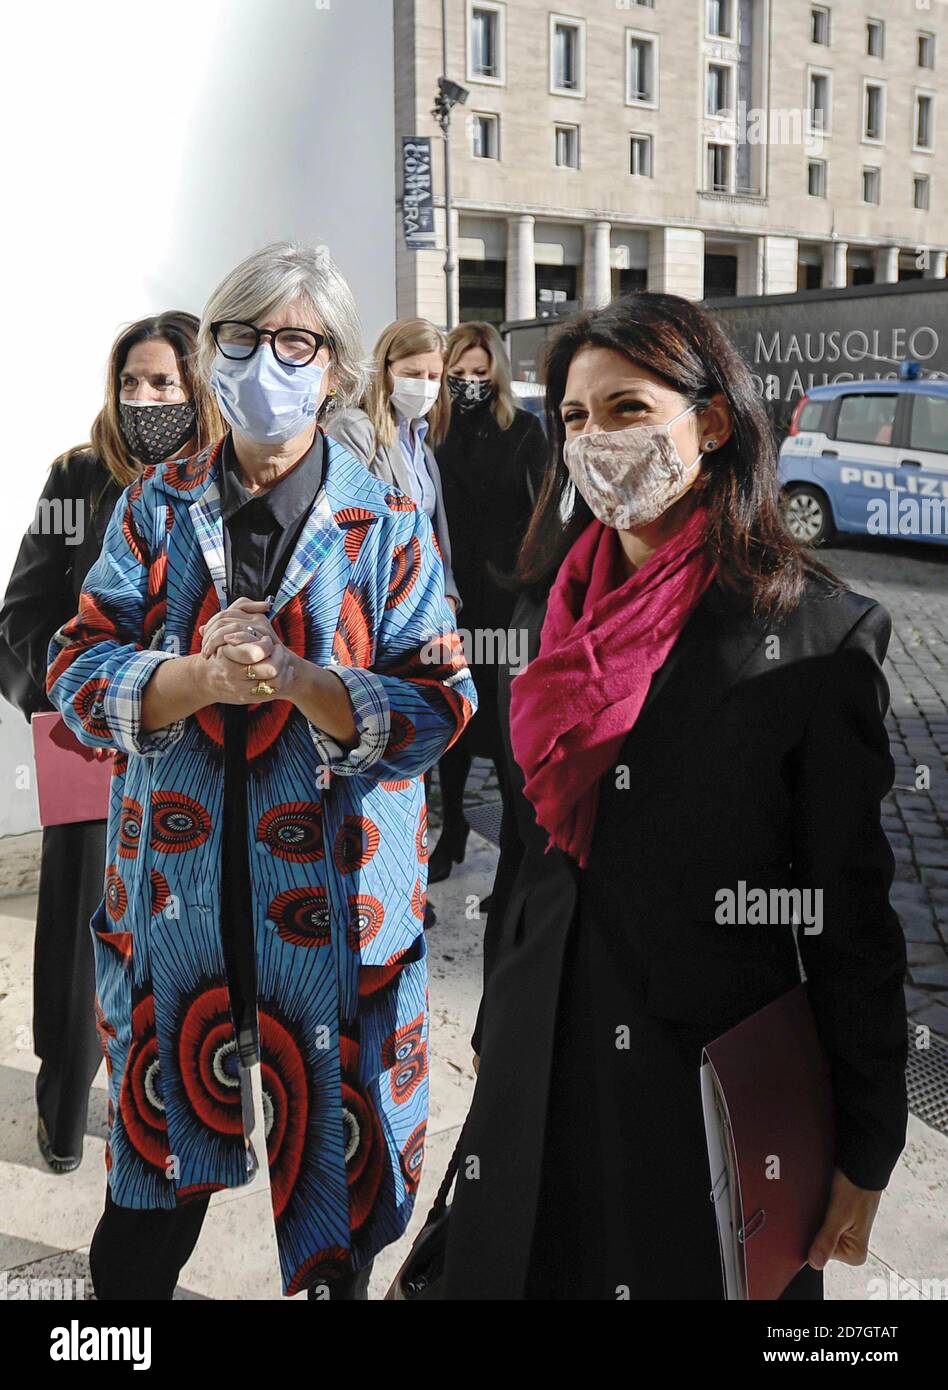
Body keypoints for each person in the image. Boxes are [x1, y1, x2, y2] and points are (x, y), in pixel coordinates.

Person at [443, 292, 908, 1301]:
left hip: (695, 1083)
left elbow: (847, 912)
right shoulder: (541, 605)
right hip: (538, 1050)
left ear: (710, 420)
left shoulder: (813, 635)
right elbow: (526, 850)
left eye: (626, 408)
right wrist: (497, 1023)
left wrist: (865, 1145)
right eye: (573, 416)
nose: (595, 438)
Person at [46, 242, 476, 1300]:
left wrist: (302, 682)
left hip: (335, 913)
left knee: (333, 1198)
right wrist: (188, 679)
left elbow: (442, 699)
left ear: (333, 366)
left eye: (296, 341)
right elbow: (73, 659)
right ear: (211, 357)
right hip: (178, 907)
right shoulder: (155, 507)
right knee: (144, 1217)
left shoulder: (387, 517)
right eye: (240, 338)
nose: (266, 363)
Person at [0, 312, 220, 1174]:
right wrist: (65, 703)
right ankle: (63, 1104)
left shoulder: (224, 486)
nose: (144, 399)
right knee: (78, 940)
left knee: (189, 940)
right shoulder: (78, 476)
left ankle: (178, 1101)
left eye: (164, 382)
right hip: (91, 752)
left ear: (198, 388)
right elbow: (20, 614)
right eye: (131, 382)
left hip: (195, 756)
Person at [427, 321, 546, 890]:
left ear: (497, 372)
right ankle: (450, 835)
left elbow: (547, 514)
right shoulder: (430, 433)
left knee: (505, 730)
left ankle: (515, 849)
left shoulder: (525, 431)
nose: (470, 383)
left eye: (481, 372)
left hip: (506, 603)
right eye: (460, 373)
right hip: (448, 602)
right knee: (453, 719)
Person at [325, 317, 459, 612]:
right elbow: (344, 524)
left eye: (433, 376)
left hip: (426, 602)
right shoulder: (355, 429)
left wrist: (448, 594)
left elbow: (433, 531)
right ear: (385, 370)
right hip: (373, 602)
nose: (423, 385)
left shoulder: (422, 443)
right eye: (411, 373)